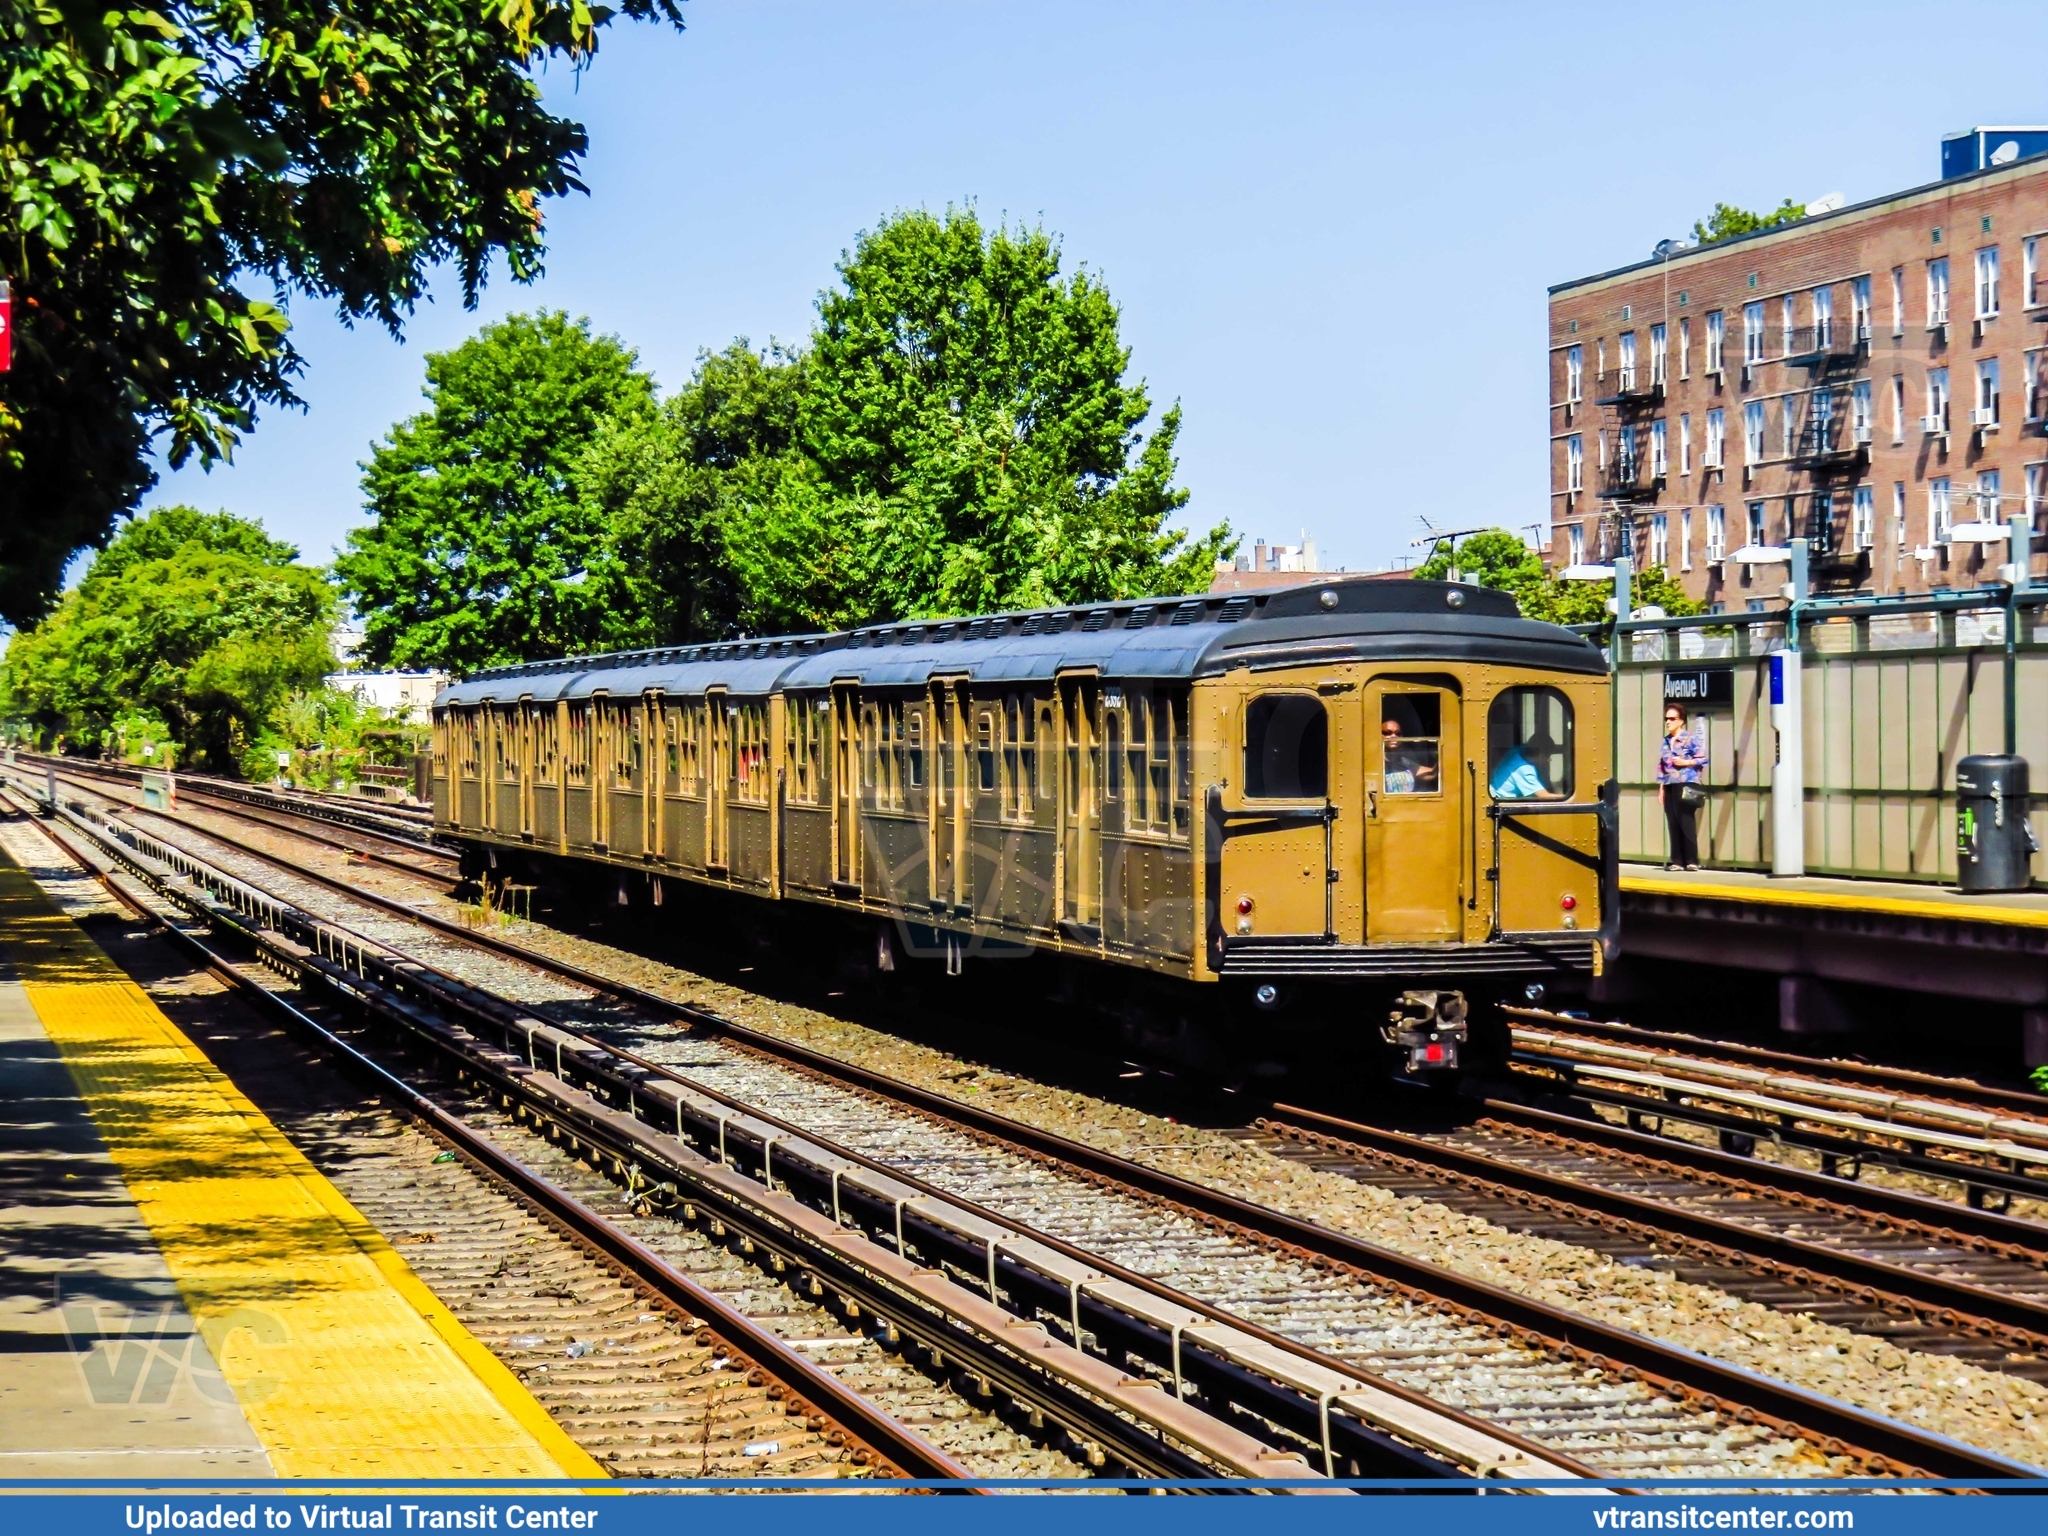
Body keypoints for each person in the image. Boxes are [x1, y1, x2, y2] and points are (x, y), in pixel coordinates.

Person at [1657, 703, 1708, 870]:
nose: (1668, 722)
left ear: (1681, 721)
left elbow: (1703, 758)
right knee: (1673, 821)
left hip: (1686, 783)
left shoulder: (1690, 738)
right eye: (1666, 719)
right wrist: (1661, 788)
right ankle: (1677, 861)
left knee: (1686, 820)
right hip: (1670, 784)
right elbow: (1661, 766)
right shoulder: (1665, 741)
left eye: (1672, 719)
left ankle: (1691, 860)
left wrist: (1686, 762)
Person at [1381, 716, 1438, 794]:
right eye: (1387, 732)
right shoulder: (1375, 763)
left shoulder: (1404, 761)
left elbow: (1431, 773)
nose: (1394, 736)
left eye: (1398, 733)